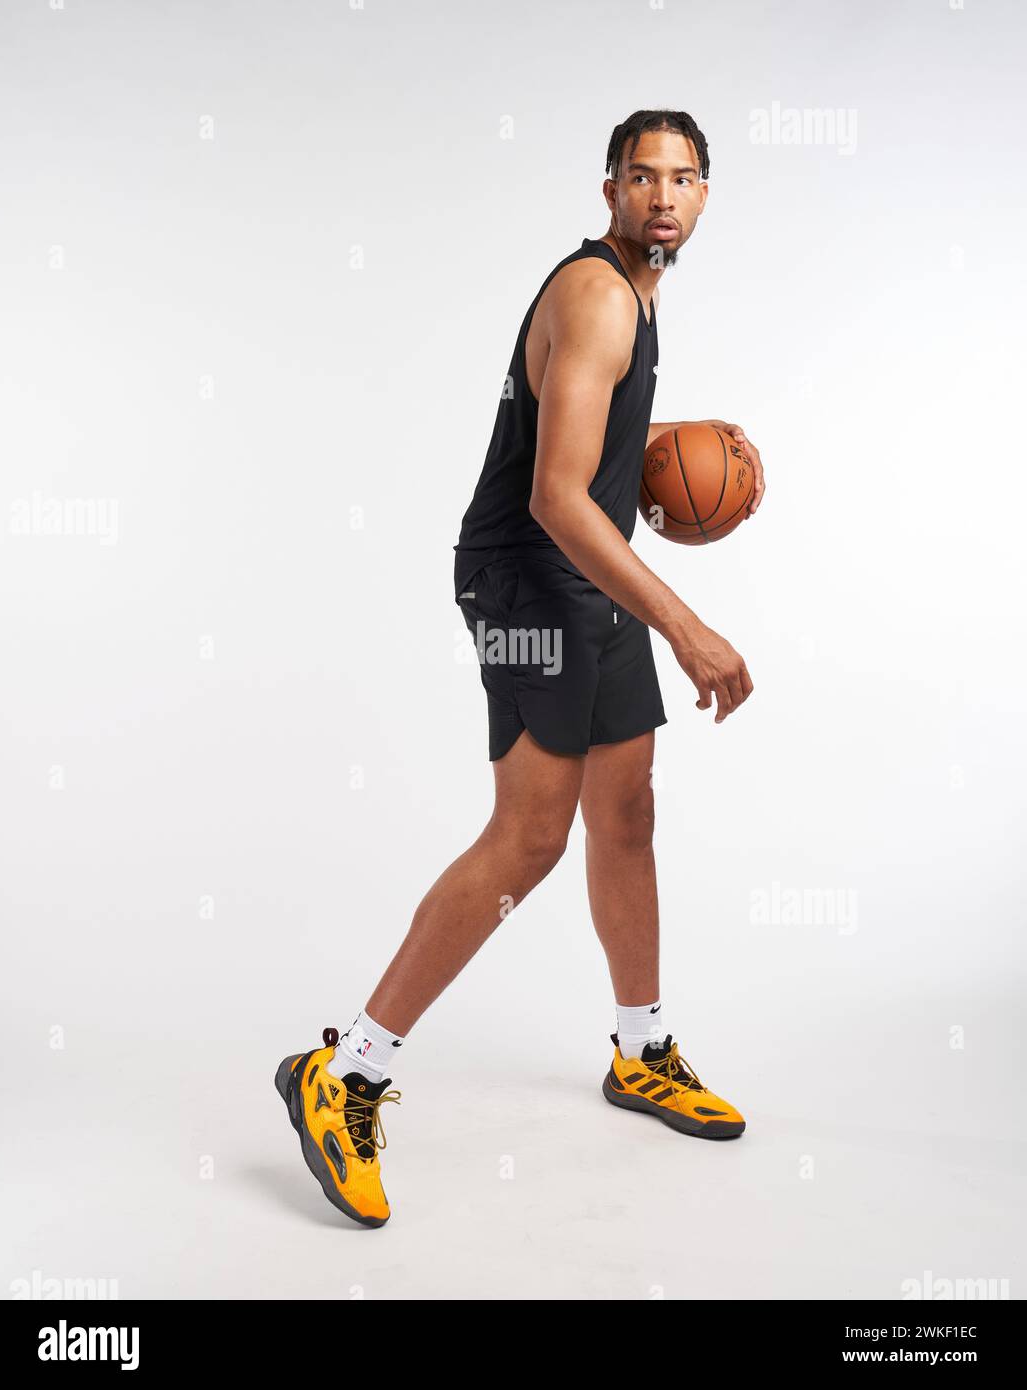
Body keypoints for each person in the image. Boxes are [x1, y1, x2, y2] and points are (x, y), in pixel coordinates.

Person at [275, 108, 766, 1228]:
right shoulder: (597, 292)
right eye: (641, 176)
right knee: (530, 837)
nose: (661, 196)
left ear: (703, 197)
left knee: (626, 813)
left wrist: (644, 465)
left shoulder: (642, 292)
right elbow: (550, 497)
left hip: (590, 569)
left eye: (683, 178)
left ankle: (640, 1051)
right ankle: (344, 1069)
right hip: (525, 576)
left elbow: (579, 466)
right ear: (607, 190)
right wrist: (686, 624)